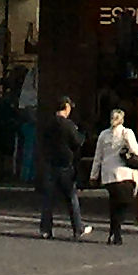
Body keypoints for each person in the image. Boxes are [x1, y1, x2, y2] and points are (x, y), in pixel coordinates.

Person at [38, 96, 91, 240]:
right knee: (71, 197)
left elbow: (42, 142)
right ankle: (78, 228)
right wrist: (83, 133)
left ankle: (45, 229)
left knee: (48, 199)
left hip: (50, 163)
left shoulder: (47, 124)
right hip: (65, 165)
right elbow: (78, 142)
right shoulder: (68, 125)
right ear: (66, 107)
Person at [90, 105, 138, 245]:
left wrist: (93, 175)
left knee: (114, 203)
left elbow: (97, 157)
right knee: (124, 203)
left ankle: (114, 233)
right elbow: (136, 151)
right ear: (122, 120)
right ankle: (116, 232)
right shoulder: (127, 133)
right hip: (124, 175)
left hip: (109, 176)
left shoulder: (103, 135)